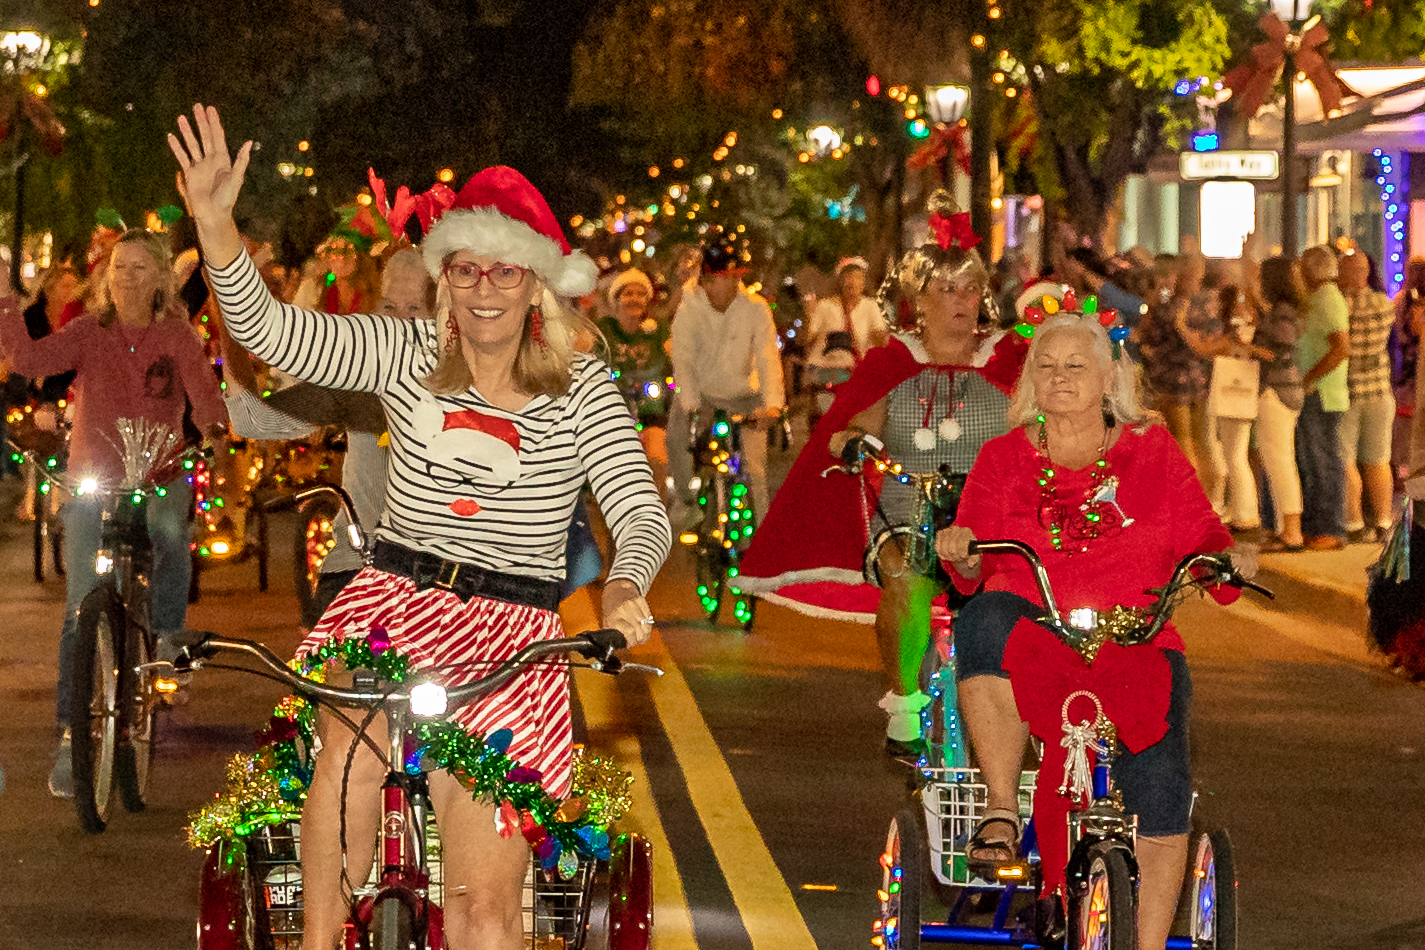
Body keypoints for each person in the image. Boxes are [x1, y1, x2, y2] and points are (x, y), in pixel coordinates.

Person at [171, 104, 670, 950]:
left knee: (483, 910)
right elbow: (271, 336)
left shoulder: (583, 387)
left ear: (536, 284)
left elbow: (634, 505)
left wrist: (624, 587)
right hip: (391, 597)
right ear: (444, 278)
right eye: (465, 271)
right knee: (348, 758)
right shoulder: (403, 352)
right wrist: (216, 227)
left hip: (513, 633)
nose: (483, 291)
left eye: (504, 273)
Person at [935, 310, 1255, 950]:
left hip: (1134, 641)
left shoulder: (1154, 452)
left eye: (1075, 365)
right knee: (984, 620)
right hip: (1038, 640)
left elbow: (1203, 537)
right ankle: (1002, 807)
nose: (1059, 378)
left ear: (1109, 378)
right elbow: (969, 570)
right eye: (1046, 366)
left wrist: (1231, 558)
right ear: (1030, 380)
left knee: (1163, 790)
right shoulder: (1003, 459)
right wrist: (961, 551)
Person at [735, 192, 1027, 756]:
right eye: (948, 290)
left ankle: (1019, 707)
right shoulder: (893, 360)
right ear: (921, 299)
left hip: (993, 509)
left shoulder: (1008, 356)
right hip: (908, 501)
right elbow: (857, 421)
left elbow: (1045, 417)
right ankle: (904, 705)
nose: (962, 302)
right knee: (906, 577)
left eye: (971, 290)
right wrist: (848, 440)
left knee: (1023, 599)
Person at [0, 228, 228, 798]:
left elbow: (203, 394)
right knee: (80, 607)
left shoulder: (177, 335)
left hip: (159, 473)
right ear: (107, 276)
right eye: (118, 267)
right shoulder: (86, 333)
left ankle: (170, 633)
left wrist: (217, 432)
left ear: (158, 278)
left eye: (137, 267)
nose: (126, 276)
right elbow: (29, 359)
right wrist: (7, 300)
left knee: (172, 532)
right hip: (92, 477)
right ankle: (71, 739)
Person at [221, 247, 434, 626]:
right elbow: (253, 420)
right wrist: (228, 322)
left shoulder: (476, 386)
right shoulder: (359, 379)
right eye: (389, 308)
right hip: (358, 568)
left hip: (436, 583)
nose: (400, 324)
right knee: (324, 674)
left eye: (415, 310)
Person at [667, 226, 785, 522]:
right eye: (718, 279)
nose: (726, 285)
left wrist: (772, 405)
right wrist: (693, 405)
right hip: (703, 395)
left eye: (733, 278)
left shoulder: (756, 309)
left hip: (746, 397)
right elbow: (683, 359)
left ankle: (762, 544)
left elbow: (768, 358)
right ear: (705, 280)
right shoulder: (689, 307)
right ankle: (687, 503)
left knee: (755, 473)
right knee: (675, 437)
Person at [1295, 244, 1351, 550]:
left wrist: (1309, 377)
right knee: (1314, 461)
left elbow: (1341, 348)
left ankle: (1330, 528)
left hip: (1322, 394)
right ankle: (1318, 527)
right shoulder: (1318, 299)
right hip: (1318, 392)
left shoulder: (1328, 300)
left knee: (1324, 462)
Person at [1337, 249, 1396, 543]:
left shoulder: (1341, 306)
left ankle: (1354, 522)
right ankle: (1384, 521)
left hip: (1348, 391)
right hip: (1380, 391)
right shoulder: (1384, 304)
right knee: (1378, 460)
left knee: (1346, 460)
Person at [1255, 257, 1307, 550]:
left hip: (1278, 388)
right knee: (1278, 460)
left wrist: (1250, 348)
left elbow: (1280, 348)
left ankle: (1291, 530)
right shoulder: (1284, 310)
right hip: (1284, 388)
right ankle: (1284, 528)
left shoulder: (1283, 311)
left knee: (1279, 460)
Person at [803, 256, 888, 390]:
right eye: (848, 277)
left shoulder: (870, 306)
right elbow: (809, 338)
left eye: (857, 278)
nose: (852, 282)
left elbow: (879, 334)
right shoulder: (825, 306)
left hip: (857, 371)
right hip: (827, 369)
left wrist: (883, 339)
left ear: (863, 282)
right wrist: (808, 315)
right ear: (840, 281)